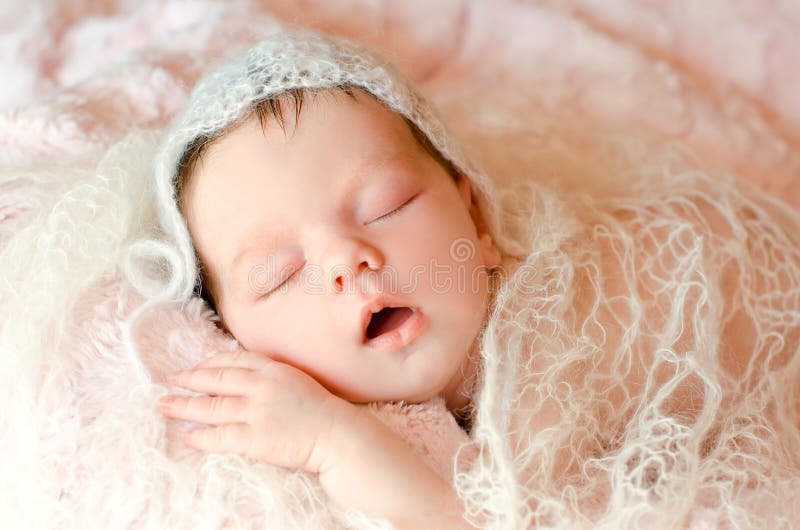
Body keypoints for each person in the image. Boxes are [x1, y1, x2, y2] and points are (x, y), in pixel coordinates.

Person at [139, 28, 800, 530]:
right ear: (227, 333)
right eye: (280, 275)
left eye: (387, 206)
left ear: (477, 216)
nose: (348, 259)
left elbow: (483, 521)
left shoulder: (554, 335)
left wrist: (331, 440)